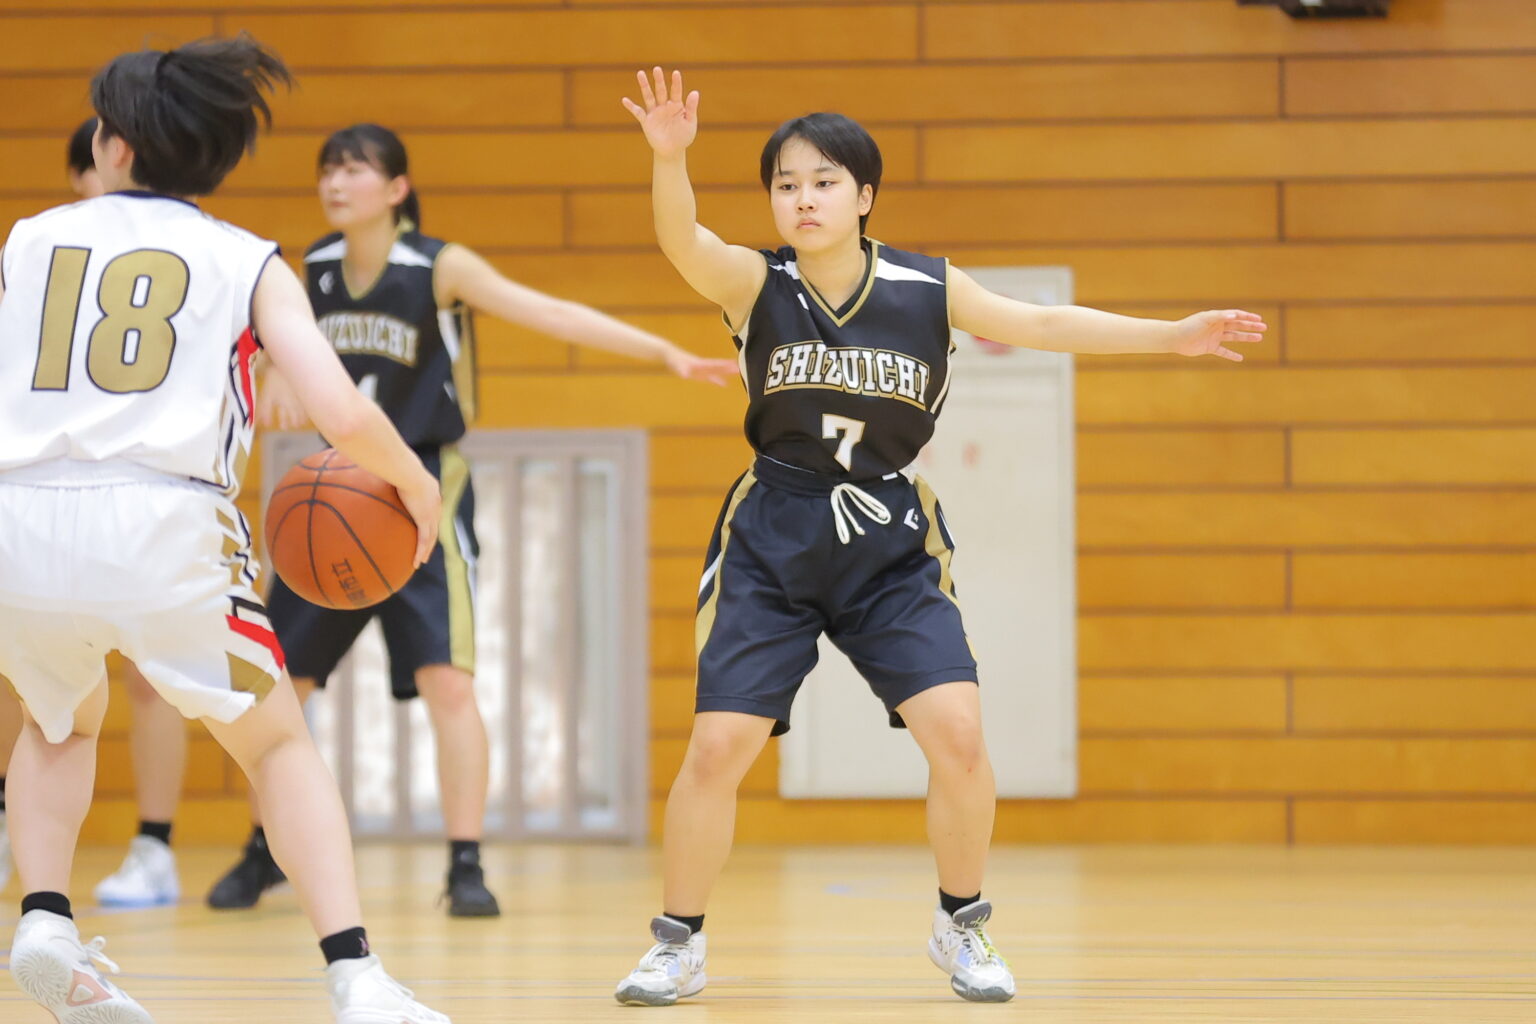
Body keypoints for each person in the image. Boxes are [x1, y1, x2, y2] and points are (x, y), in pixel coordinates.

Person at [612, 68, 1267, 1007]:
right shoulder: (756, 283)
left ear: (865, 195)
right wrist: (669, 161)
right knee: (718, 749)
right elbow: (683, 240)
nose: (804, 197)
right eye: (787, 183)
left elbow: (1041, 321)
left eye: (825, 180)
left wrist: (1172, 335)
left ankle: (962, 926)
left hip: (888, 535)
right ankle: (679, 942)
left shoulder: (928, 285)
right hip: (774, 531)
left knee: (958, 738)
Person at [0, 36, 450, 1023]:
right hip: (162, 518)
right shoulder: (245, 258)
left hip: (21, 515)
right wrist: (415, 484)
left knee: (53, 720)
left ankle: (42, 915)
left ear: (112, 146)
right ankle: (357, 975)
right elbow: (338, 407)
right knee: (278, 744)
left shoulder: (29, 239)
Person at [209, 122, 739, 918]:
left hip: (425, 485)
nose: (335, 182)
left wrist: (663, 353)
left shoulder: (437, 266)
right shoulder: (304, 270)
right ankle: (263, 851)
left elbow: (548, 312)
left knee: (449, 684)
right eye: (328, 169)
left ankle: (465, 862)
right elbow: (246, 343)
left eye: (354, 169)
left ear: (396, 189)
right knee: (282, 681)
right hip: (333, 495)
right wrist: (274, 363)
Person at [0, 118, 190, 910]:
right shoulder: (40, 257)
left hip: (140, 498)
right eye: (83, 171)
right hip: (49, 496)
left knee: (152, 683)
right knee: (29, 685)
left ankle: (154, 844)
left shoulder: (179, 256)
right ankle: (25, 851)